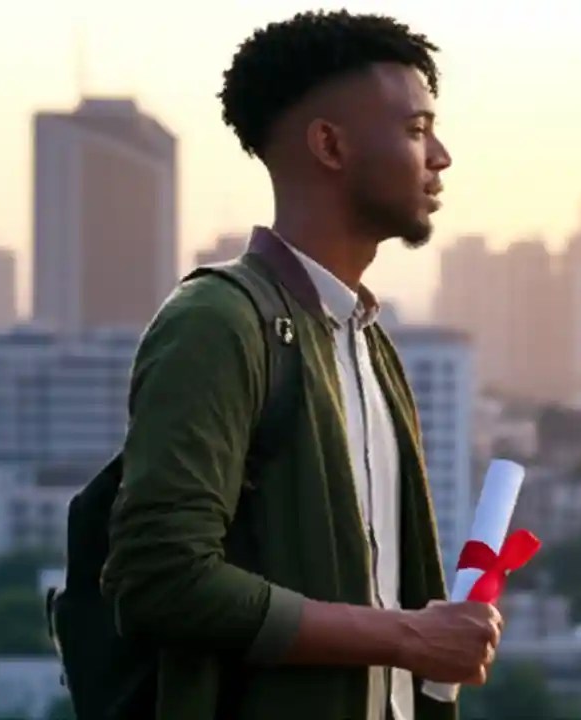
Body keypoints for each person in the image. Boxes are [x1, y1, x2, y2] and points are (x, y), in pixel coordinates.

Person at [100, 10, 498, 720]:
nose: (440, 156)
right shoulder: (217, 326)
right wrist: (408, 635)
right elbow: (160, 579)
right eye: (415, 129)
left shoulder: (369, 342)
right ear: (329, 144)